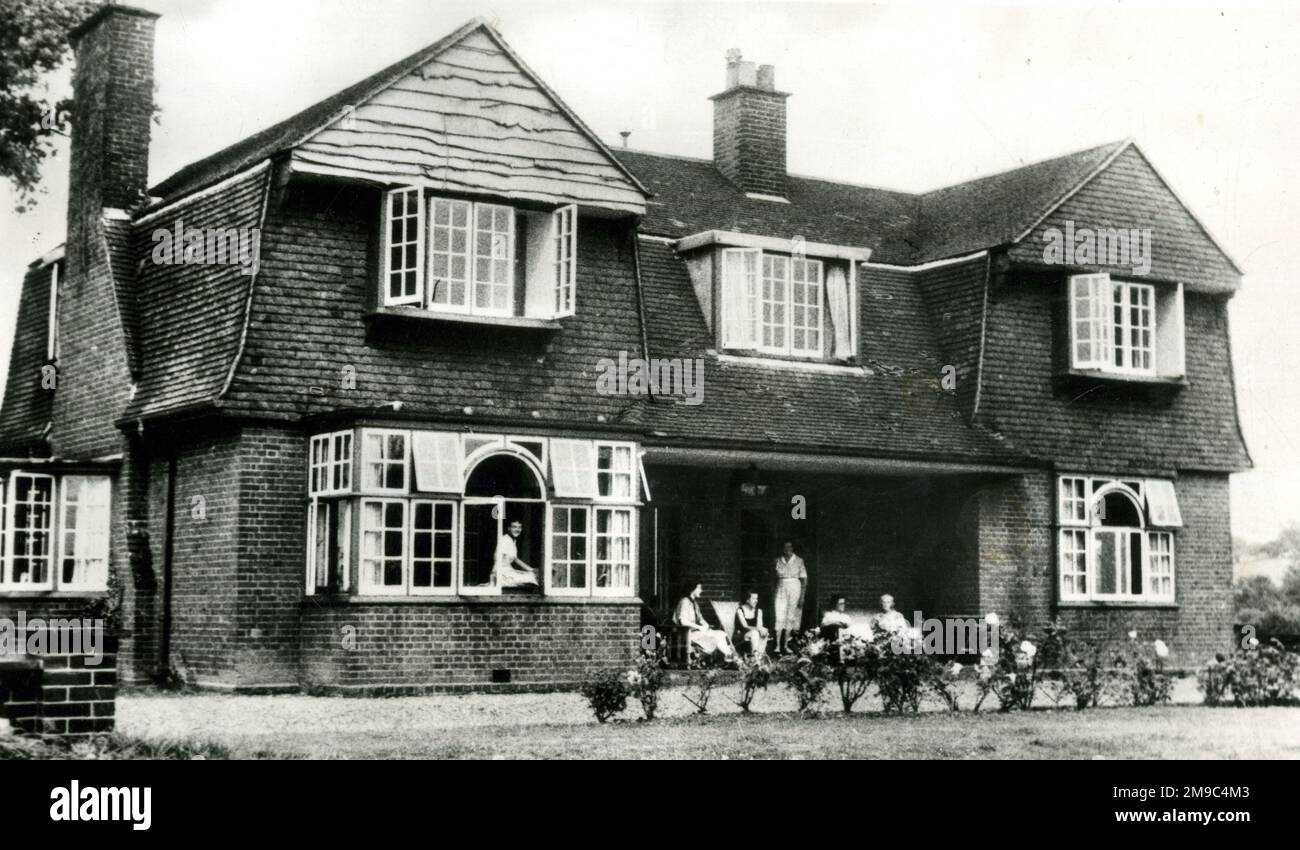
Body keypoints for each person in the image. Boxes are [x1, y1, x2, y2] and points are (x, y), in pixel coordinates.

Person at [673, 582, 735, 662]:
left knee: (722, 633)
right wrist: (699, 627)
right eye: (699, 588)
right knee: (717, 637)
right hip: (687, 634)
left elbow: (700, 618)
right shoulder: (685, 601)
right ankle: (731, 658)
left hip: (696, 632)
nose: (701, 590)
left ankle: (729, 656)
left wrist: (706, 625)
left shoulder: (694, 603)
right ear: (692, 589)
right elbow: (683, 621)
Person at [772, 541, 807, 654]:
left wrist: (802, 596)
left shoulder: (799, 561)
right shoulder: (777, 560)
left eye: (790, 546)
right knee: (779, 615)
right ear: (782, 548)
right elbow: (772, 578)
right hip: (781, 588)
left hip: (794, 588)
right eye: (785, 546)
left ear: (793, 548)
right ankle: (777, 646)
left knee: (790, 616)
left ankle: (785, 645)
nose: (788, 548)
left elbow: (804, 579)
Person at [494, 519, 538, 588]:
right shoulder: (505, 540)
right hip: (502, 573)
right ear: (509, 528)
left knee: (532, 575)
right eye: (514, 527)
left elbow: (515, 559)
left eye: (519, 527)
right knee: (531, 578)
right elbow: (497, 557)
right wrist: (493, 575)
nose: (517, 529)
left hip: (508, 571)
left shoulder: (513, 540)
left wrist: (531, 569)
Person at [733, 591, 769, 657]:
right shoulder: (740, 610)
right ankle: (754, 655)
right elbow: (745, 626)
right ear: (747, 600)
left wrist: (763, 630)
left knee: (764, 631)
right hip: (742, 635)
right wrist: (759, 629)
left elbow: (759, 626)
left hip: (755, 633)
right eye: (753, 599)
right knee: (755, 632)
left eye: (757, 599)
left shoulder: (758, 611)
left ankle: (760, 656)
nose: (756, 601)